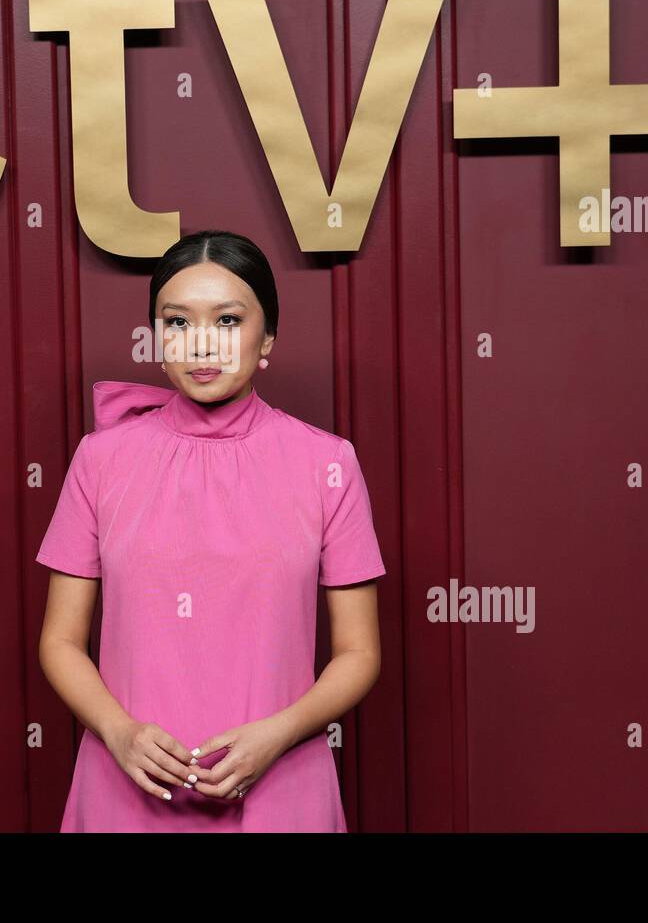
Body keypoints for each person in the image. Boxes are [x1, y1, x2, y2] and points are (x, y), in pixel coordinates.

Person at [36, 228, 387, 831]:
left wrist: (277, 735)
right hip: (128, 788)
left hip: (281, 787)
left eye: (228, 321)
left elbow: (359, 652)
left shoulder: (327, 463)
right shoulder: (100, 459)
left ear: (267, 336)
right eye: (177, 322)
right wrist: (120, 734)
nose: (202, 343)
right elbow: (60, 641)